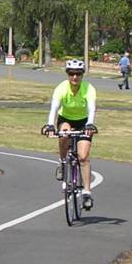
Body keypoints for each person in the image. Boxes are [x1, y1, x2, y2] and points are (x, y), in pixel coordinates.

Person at [42, 59, 98, 209]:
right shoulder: (61, 88)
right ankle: (62, 162)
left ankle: (87, 192)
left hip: (83, 122)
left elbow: (92, 108)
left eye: (78, 74)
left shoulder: (88, 88)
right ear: (67, 74)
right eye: (71, 74)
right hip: (65, 119)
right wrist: (50, 125)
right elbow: (54, 108)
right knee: (64, 134)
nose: (75, 77)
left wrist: (90, 124)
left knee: (83, 156)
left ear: (82, 75)